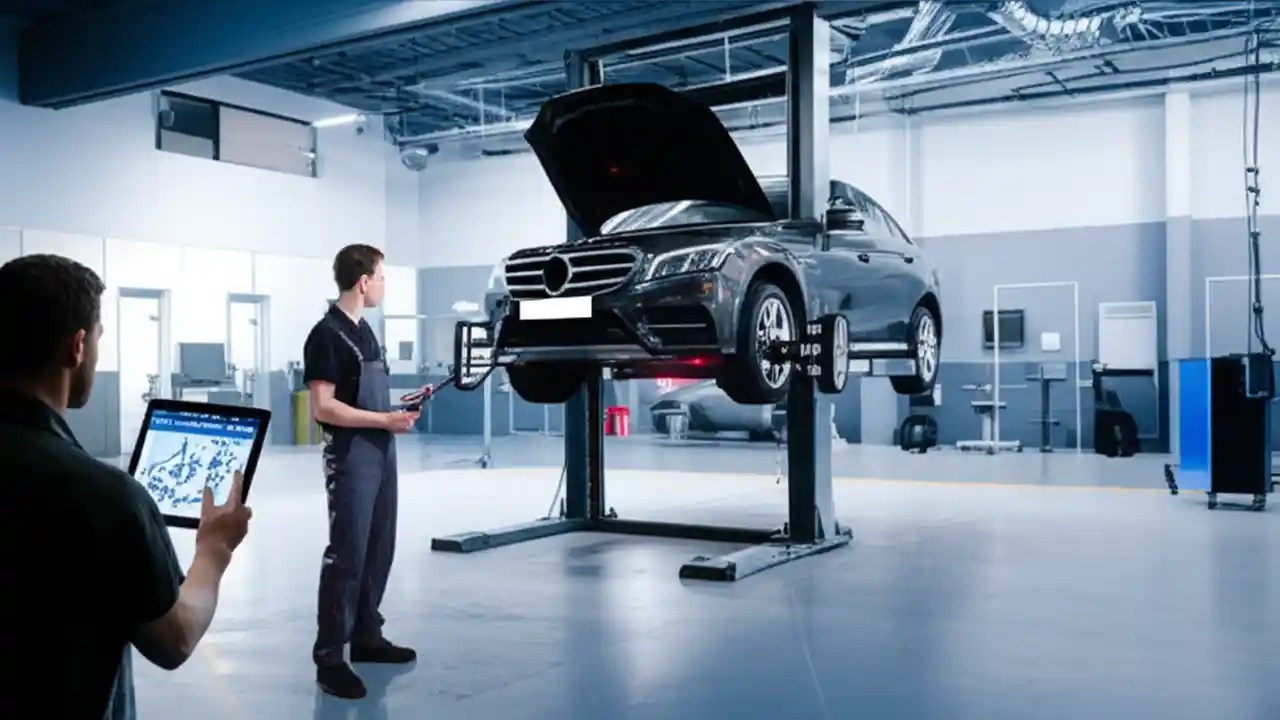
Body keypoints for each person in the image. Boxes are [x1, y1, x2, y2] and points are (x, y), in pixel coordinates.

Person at [0, 254, 252, 719]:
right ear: (77, 347)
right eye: (97, 339)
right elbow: (174, 638)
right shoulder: (104, 498)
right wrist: (214, 549)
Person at [304, 244, 420, 699]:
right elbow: (324, 407)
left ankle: (367, 635)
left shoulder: (366, 332)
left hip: (381, 450)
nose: (384, 285)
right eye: (383, 277)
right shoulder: (326, 334)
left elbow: (362, 396)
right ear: (364, 281)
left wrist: (395, 412)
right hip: (351, 456)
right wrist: (383, 420)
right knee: (347, 554)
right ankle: (330, 657)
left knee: (378, 546)